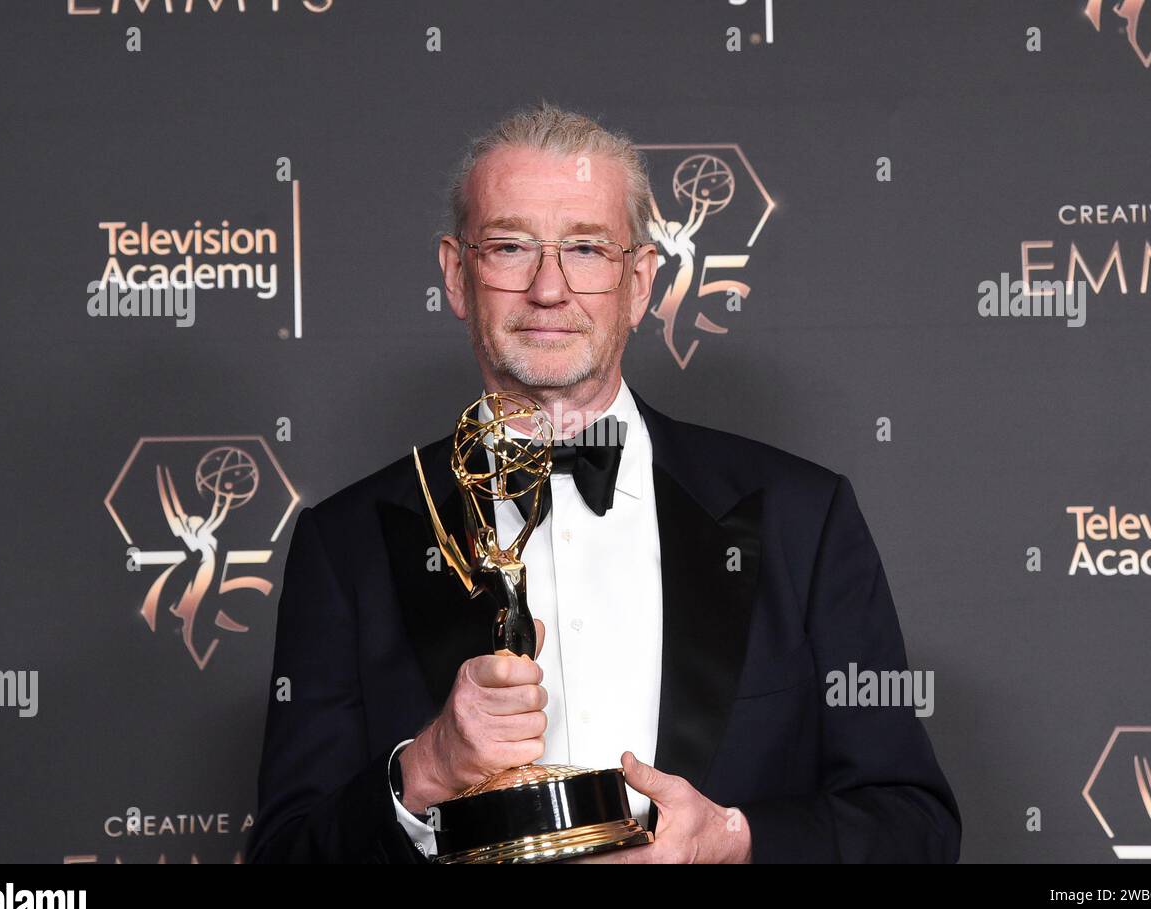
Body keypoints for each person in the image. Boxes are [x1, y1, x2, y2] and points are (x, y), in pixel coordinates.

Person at [247, 102, 960, 864]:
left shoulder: (802, 519)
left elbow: (912, 828)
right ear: (458, 275)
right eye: (510, 246)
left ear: (640, 281)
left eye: (587, 248)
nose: (549, 288)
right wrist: (420, 774)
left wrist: (728, 840)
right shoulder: (345, 544)